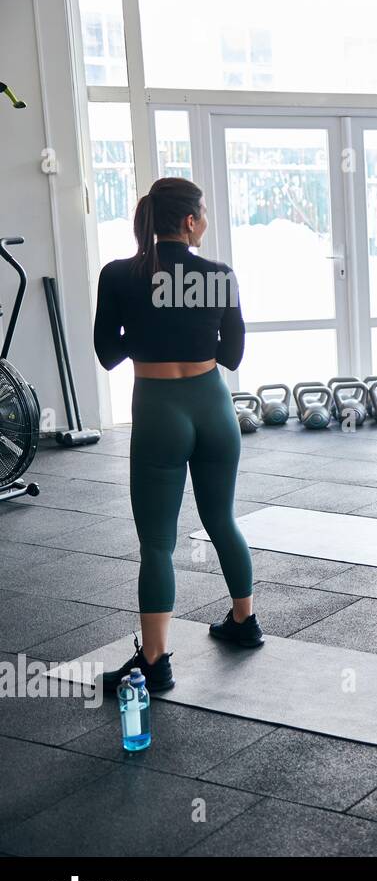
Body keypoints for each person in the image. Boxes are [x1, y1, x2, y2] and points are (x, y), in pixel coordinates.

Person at [94, 177, 261, 692]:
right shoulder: (219, 275)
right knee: (221, 520)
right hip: (214, 409)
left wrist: (145, 329)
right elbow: (232, 356)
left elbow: (107, 353)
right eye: (204, 212)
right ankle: (243, 622)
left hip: (159, 411)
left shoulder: (119, 275)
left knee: (158, 545)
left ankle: (155, 659)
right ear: (189, 221)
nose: (206, 221)